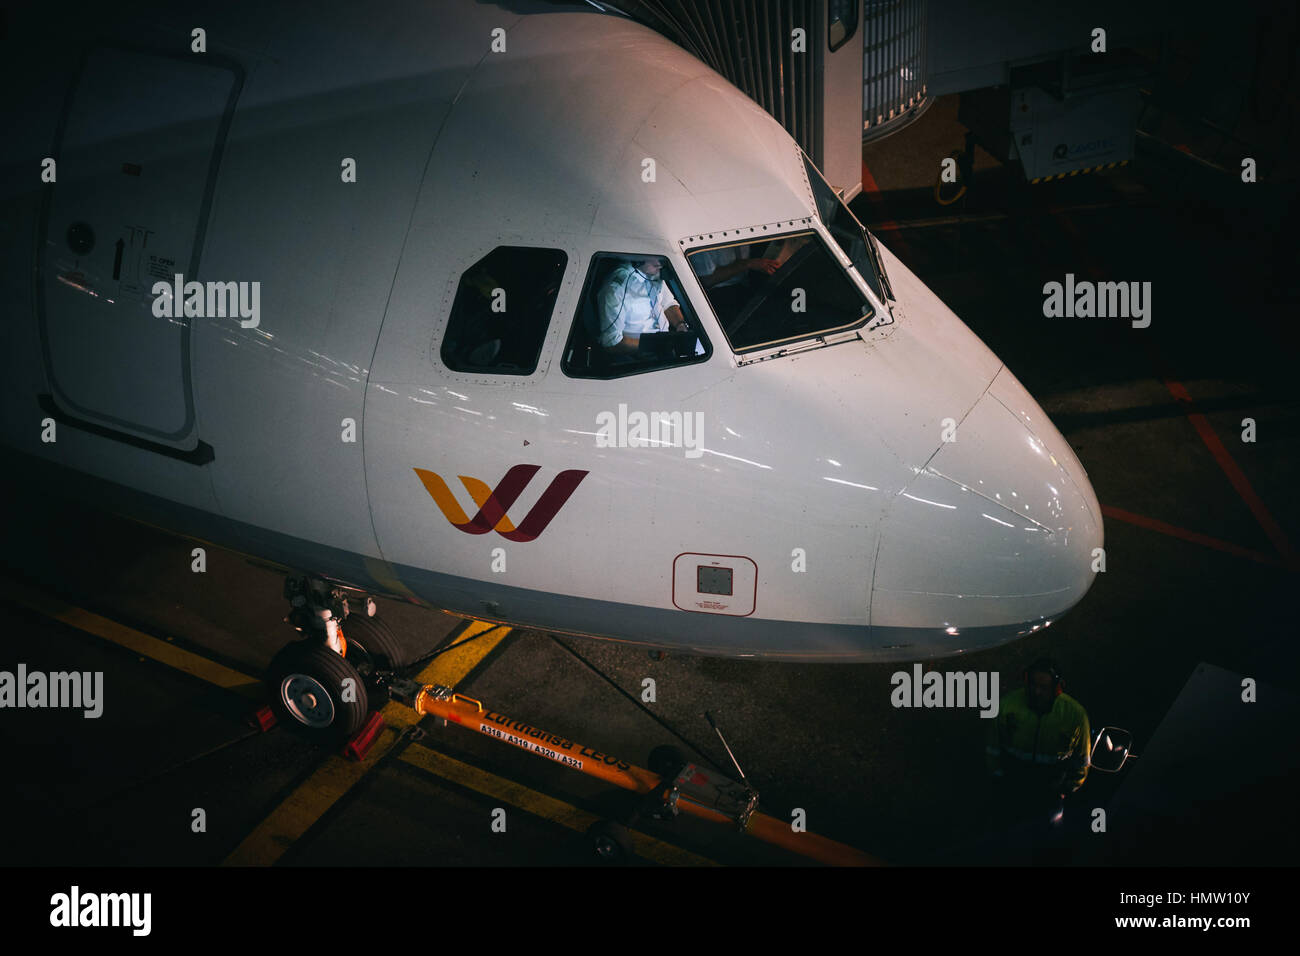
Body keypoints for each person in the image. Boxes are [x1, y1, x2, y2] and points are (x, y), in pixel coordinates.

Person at [986, 657, 1091, 836]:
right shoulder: (1007, 705)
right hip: (1013, 782)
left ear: (1057, 689)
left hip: (1051, 789)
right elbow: (993, 745)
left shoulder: (1075, 715)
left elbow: (1082, 759)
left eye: (1044, 688)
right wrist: (997, 777)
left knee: (1048, 834)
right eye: (1033, 685)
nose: (1037, 692)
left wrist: (1068, 790)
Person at [592, 256, 689, 355]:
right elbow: (611, 342)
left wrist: (680, 324)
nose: (661, 262)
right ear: (639, 259)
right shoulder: (616, 289)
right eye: (656, 257)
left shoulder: (654, 272)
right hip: (639, 357)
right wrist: (654, 345)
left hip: (666, 347)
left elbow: (668, 303)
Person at [690, 244, 780, 320]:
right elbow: (707, 280)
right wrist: (748, 264)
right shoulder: (705, 245)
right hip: (720, 293)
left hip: (746, 281)